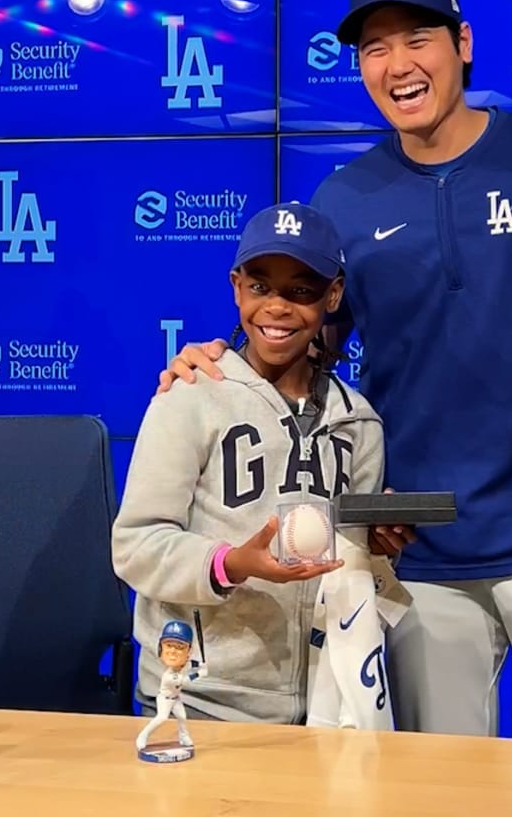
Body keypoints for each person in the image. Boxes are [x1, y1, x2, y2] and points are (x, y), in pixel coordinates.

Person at [155, 0, 512, 815]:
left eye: (417, 38)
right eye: (374, 48)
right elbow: (299, 347)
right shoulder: (346, 194)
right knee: (439, 801)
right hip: (414, 560)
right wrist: (212, 363)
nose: (397, 63)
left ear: (463, 45)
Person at [113, 201, 388, 728]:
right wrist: (231, 563)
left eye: (301, 291)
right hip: (196, 702)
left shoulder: (360, 423)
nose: (277, 308)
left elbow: (355, 576)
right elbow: (136, 544)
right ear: (237, 286)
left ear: (333, 296)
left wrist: (381, 545)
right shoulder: (191, 395)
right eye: (261, 287)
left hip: (327, 707)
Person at [135, 619, 207, 753]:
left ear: (188, 651)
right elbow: (184, 681)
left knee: (182, 717)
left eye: (179, 647)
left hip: (175, 699)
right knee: (162, 718)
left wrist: (201, 665)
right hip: (165, 699)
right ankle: (142, 736)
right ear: (161, 648)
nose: (173, 651)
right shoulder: (170, 676)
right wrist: (200, 674)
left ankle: (184, 737)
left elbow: (190, 663)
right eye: (169, 645)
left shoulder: (182, 664)